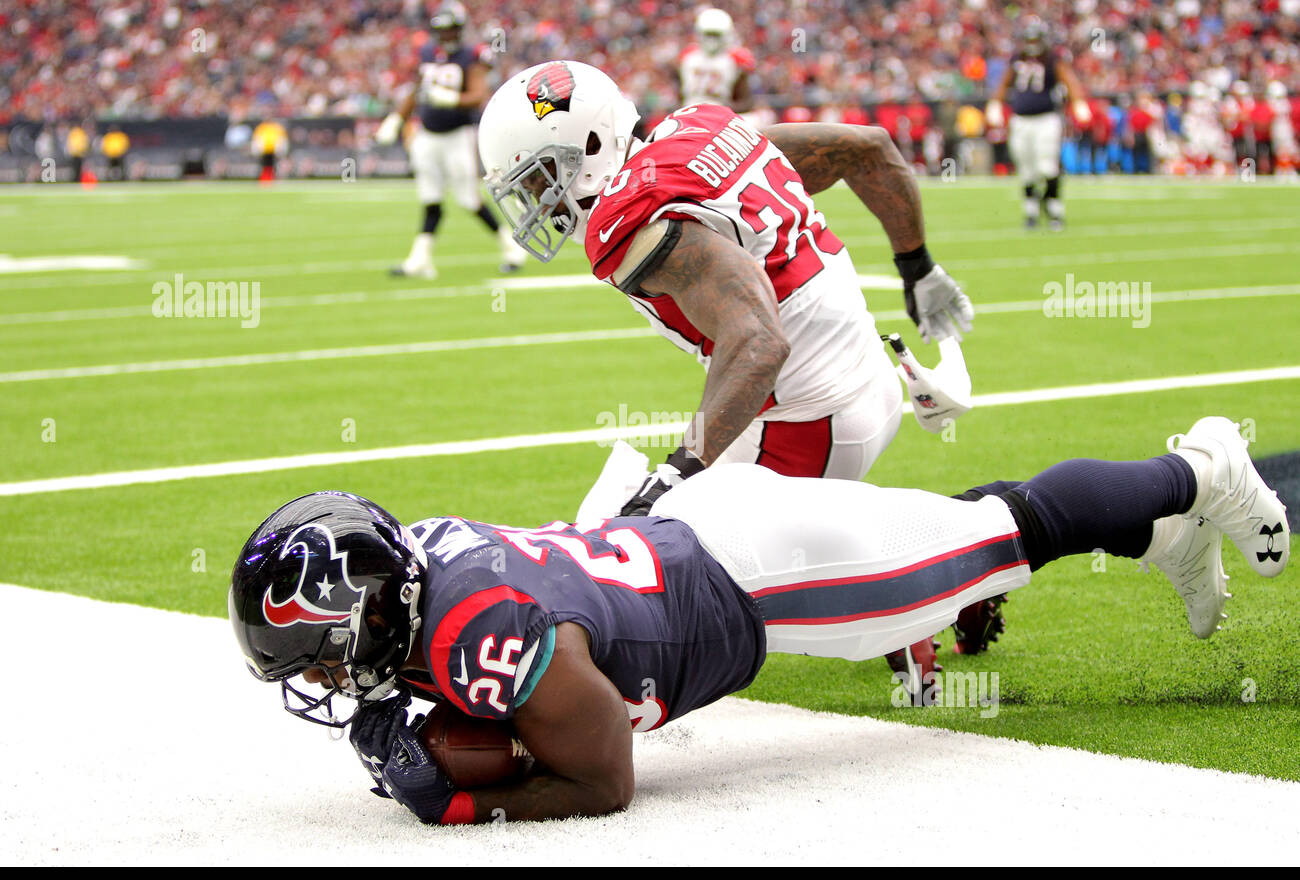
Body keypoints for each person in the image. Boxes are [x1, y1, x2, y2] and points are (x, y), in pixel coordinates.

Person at [229, 416, 1289, 825]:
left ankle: (1196, 466)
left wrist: (467, 799)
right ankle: (1159, 533)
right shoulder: (417, 554)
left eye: (323, 656)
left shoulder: (472, 633)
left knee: (1000, 535)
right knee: (955, 535)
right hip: (698, 540)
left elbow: (603, 774)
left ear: (375, 611)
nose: (324, 680)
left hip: (753, 577)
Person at [476, 59, 979, 690]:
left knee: (651, 565)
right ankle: (935, 566)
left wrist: (682, 467)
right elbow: (866, 149)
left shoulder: (628, 218)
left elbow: (760, 342)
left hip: (807, 419)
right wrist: (918, 266)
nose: (538, 197)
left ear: (591, 145)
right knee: (608, 524)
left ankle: (922, 589)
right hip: (863, 385)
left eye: (544, 173)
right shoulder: (700, 127)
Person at [376, 3, 526, 278]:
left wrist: (451, 99)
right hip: (427, 135)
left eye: (450, 30)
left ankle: (512, 247)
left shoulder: (472, 55)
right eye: (441, 30)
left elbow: (478, 95)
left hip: (457, 135)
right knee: (430, 198)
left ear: (459, 29)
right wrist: (396, 119)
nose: (445, 36)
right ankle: (419, 260)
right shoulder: (428, 53)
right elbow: (417, 89)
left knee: (468, 199)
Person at [985, 20, 1091, 230]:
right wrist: (995, 103)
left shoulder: (1053, 59)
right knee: (1026, 168)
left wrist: (1078, 102)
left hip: (1046, 119)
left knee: (1047, 165)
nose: (1032, 43)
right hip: (1021, 120)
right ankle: (1031, 210)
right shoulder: (1017, 59)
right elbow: (1004, 83)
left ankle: (1054, 209)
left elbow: (1068, 80)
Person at [677, 7, 755, 115]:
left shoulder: (734, 59)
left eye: (715, 35)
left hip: (718, 113)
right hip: (690, 111)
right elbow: (679, 94)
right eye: (708, 35)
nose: (711, 40)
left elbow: (745, 99)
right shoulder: (689, 57)